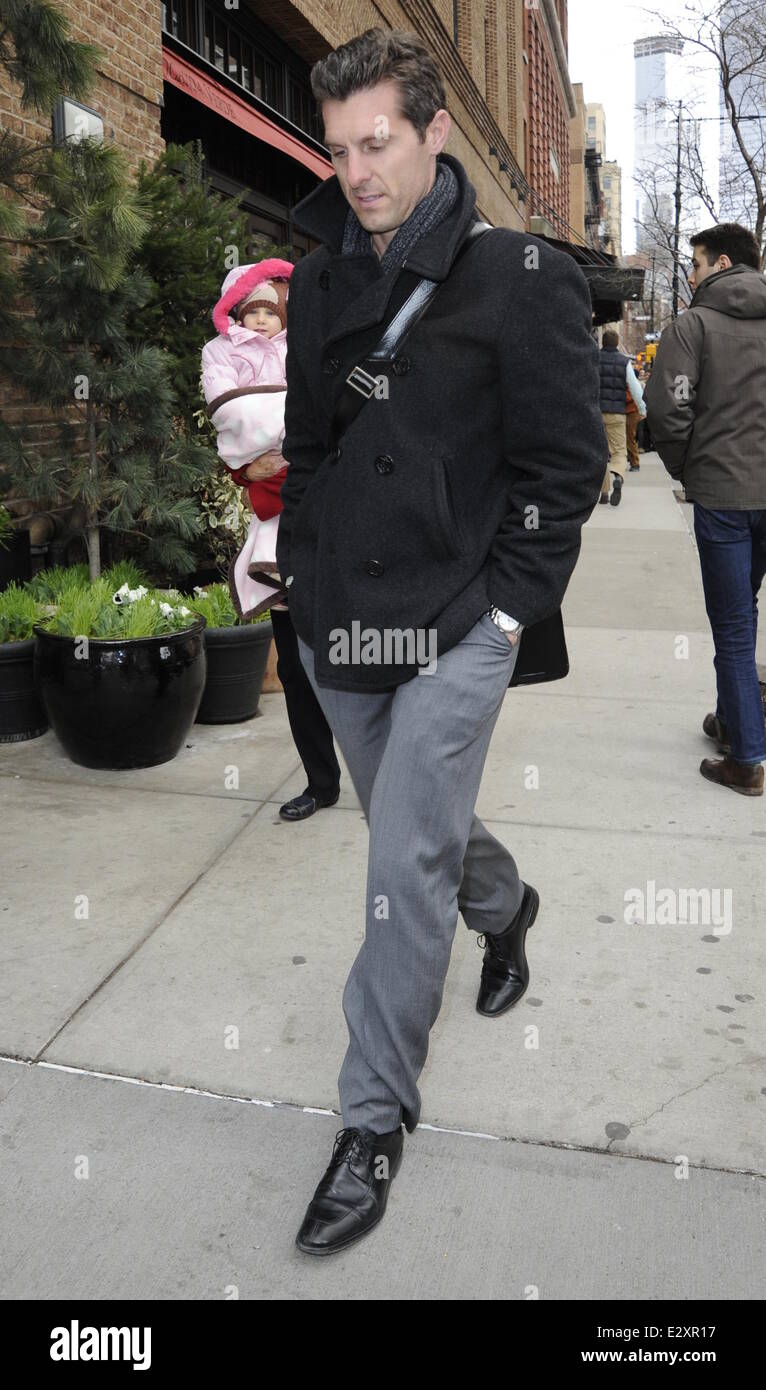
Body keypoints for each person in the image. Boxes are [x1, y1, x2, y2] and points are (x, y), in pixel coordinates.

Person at [275, 26, 607, 1255]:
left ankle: (371, 1120)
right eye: (338, 147)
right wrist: (300, 570)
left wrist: (510, 609)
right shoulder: (315, 281)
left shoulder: (517, 274)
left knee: (398, 856)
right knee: (420, 828)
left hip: (459, 620)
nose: (356, 171)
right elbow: (309, 449)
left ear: (431, 135)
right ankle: (507, 906)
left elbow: (563, 469)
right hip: (338, 618)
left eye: (377, 144)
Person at [201, 260, 342, 821]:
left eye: (273, 305)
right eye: (254, 306)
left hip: (336, 528)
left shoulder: (318, 345)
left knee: (356, 656)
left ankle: (390, 774)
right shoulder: (232, 356)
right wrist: (245, 471)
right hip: (280, 536)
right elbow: (238, 432)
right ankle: (321, 780)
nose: (265, 316)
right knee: (294, 666)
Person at [645, 221, 766, 795]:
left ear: (720, 264)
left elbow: (668, 409)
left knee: (734, 628)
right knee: (745, 609)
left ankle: (745, 760)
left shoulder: (692, 326)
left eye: (694, 263)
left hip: (722, 496)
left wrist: (686, 469)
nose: (690, 275)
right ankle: (732, 722)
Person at [598, 330, 646, 505]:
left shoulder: (594, 359)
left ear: (602, 342)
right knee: (619, 450)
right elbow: (635, 389)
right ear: (617, 343)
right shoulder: (624, 362)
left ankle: (603, 493)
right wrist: (642, 409)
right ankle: (618, 475)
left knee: (601, 452)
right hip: (617, 413)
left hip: (597, 413)